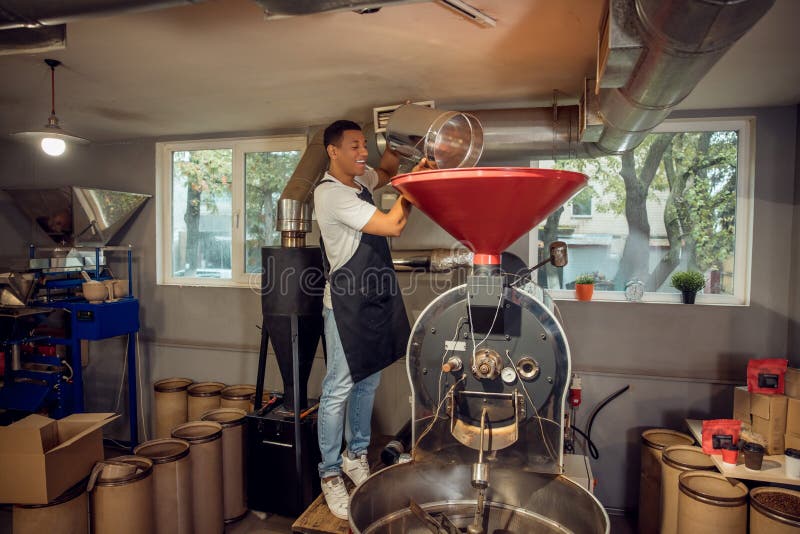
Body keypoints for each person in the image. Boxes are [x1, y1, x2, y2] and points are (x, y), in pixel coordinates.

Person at [313, 119, 431, 520]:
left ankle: (355, 454)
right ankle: (329, 473)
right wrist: (416, 184)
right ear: (333, 151)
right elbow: (393, 225)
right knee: (338, 388)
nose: (362, 152)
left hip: (373, 296)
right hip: (345, 305)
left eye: (364, 144)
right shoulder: (330, 195)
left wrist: (401, 138)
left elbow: (384, 172)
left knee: (369, 379)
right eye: (354, 146)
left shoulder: (358, 178)